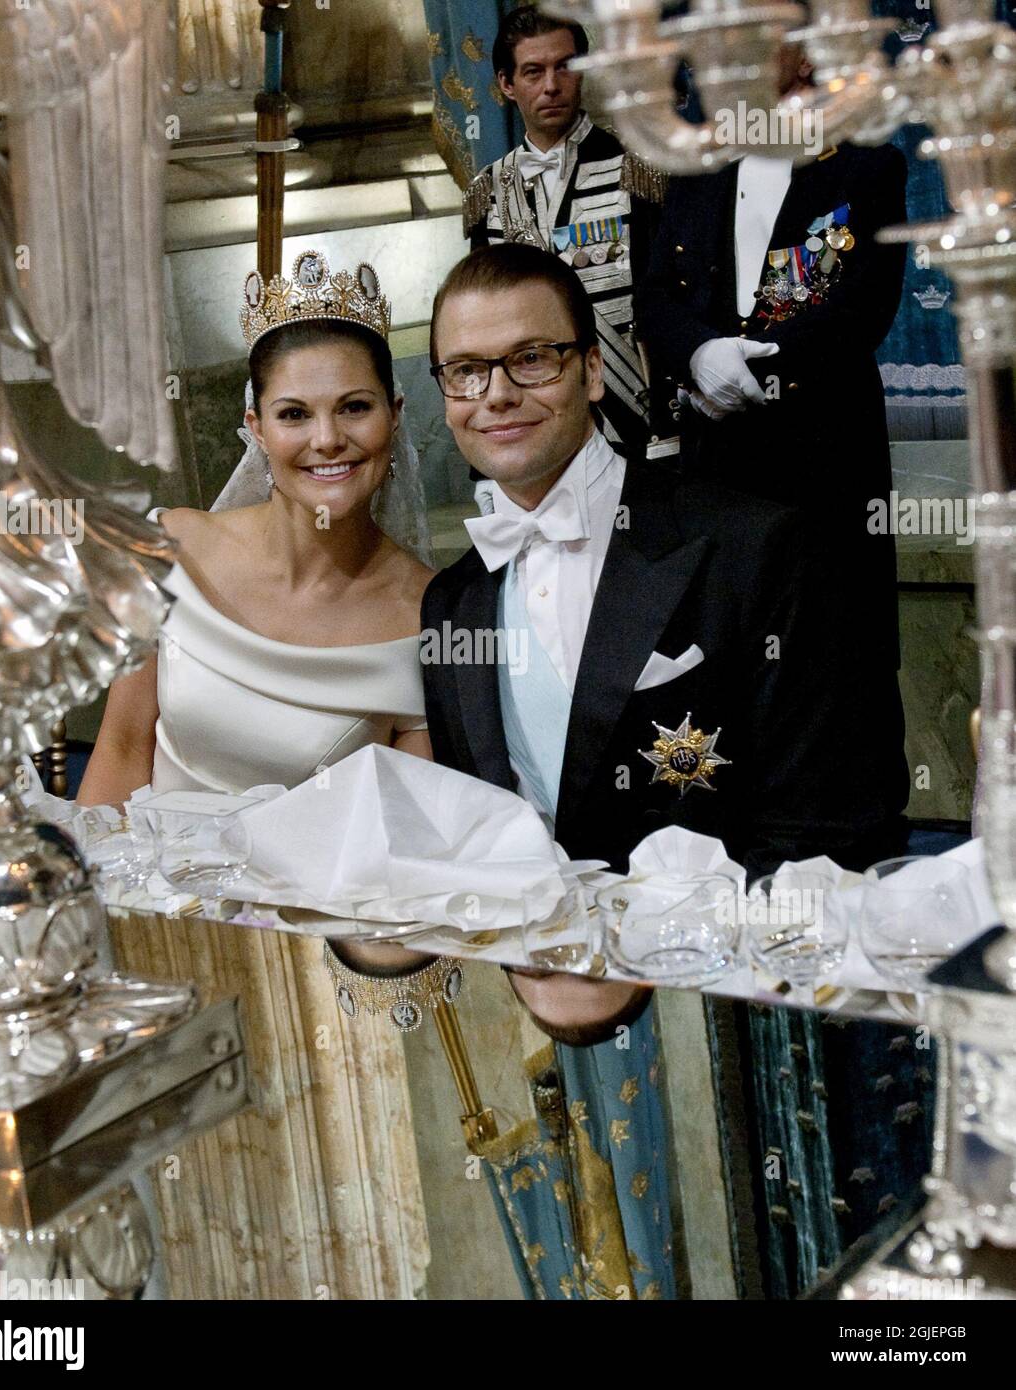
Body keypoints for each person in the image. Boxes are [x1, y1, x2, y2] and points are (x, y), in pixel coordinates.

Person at [417, 242, 911, 1298]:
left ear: (595, 370)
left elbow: (845, 813)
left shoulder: (751, 540)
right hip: (607, 1058)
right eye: (464, 370)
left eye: (531, 359)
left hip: (766, 1042)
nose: (494, 393)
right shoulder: (451, 604)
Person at [76, 251, 437, 1300]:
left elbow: (407, 835)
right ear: (252, 426)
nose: (326, 439)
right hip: (149, 946)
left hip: (306, 981)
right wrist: (96, 973)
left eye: (353, 407)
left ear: (394, 415)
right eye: (295, 414)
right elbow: (121, 749)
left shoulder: (434, 613)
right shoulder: (174, 551)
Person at [636, 46, 909, 818]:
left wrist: (755, 368)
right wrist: (697, 353)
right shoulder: (694, 167)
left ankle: (862, 850)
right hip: (719, 473)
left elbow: (859, 310)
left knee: (841, 665)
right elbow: (655, 294)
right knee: (731, 666)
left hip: (824, 469)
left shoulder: (863, 166)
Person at [464, 3, 676, 459]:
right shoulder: (489, 193)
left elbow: (664, 298)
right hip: (531, 419)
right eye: (533, 72)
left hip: (633, 414)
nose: (551, 86)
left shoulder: (634, 170)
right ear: (506, 84)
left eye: (566, 67)